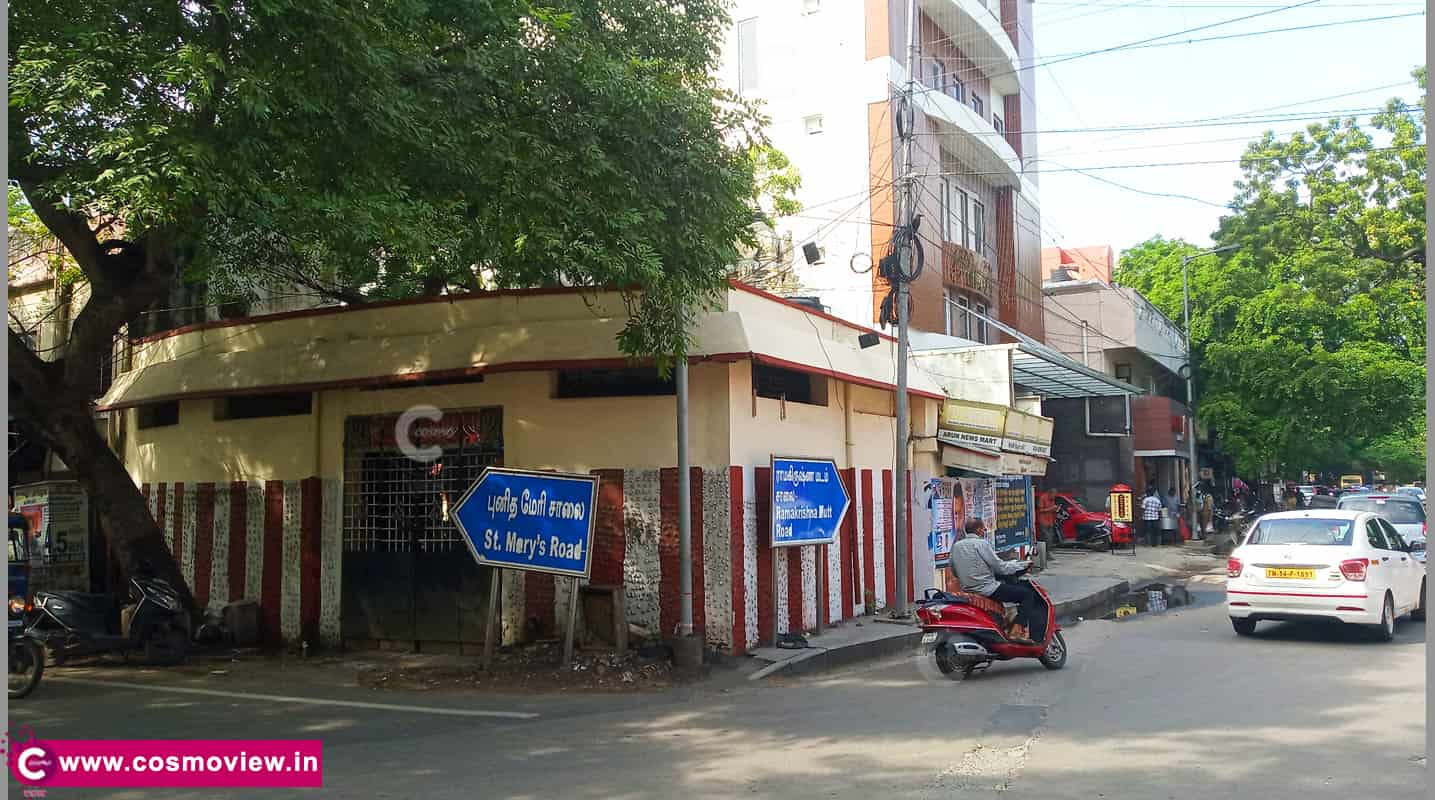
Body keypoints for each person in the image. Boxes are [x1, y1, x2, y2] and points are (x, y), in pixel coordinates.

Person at [949, 518, 1041, 644]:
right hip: (987, 589)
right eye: (983, 529)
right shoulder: (981, 544)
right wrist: (1023, 564)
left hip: (967, 589)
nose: (984, 531)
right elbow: (1000, 567)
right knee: (1027, 595)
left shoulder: (956, 546)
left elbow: (954, 571)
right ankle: (1016, 631)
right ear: (978, 530)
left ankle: (1004, 625)